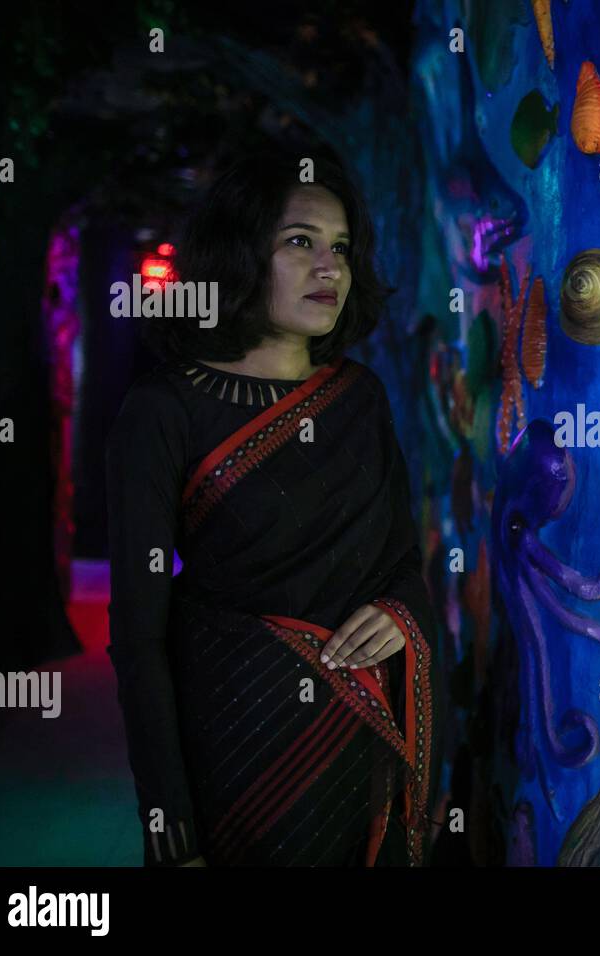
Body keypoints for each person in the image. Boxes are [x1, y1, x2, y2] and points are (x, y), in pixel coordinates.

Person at [105, 151, 440, 866]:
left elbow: (404, 563)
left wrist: (399, 615)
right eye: (300, 242)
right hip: (231, 756)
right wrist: (171, 828)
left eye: (342, 249)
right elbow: (139, 638)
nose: (331, 268)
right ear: (239, 254)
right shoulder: (163, 410)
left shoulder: (360, 400)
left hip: (356, 758)